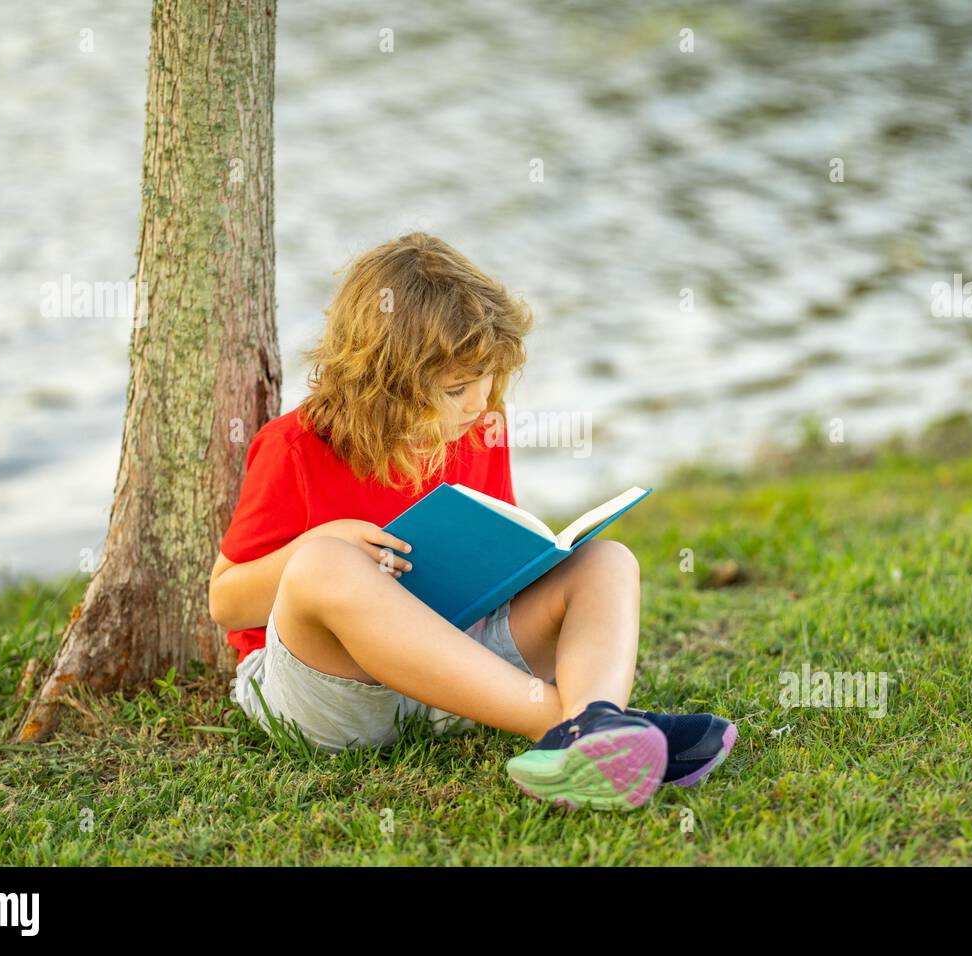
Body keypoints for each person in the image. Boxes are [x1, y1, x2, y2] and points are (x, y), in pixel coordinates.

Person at [208, 232, 736, 811]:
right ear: (385, 385)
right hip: (329, 694)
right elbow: (226, 603)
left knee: (608, 561)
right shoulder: (295, 449)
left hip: (455, 677)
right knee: (323, 564)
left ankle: (590, 730)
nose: (479, 406)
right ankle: (577, 729)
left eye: (487, 381)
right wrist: (317, 544)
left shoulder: (478, 426)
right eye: (456, 388)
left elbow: (497, 551)